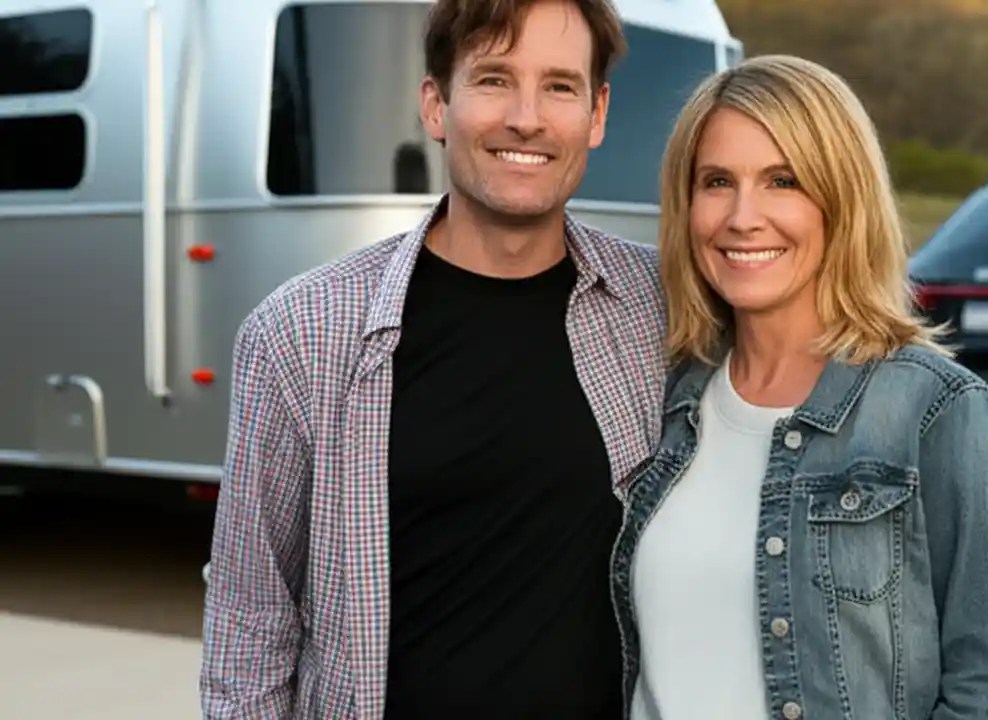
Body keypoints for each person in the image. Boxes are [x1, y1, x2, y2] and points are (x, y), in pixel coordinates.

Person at [199, 0, 668, 717]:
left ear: (597, 113)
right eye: (492, 79)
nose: (527, 117)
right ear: (435, 104)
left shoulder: (658, 311)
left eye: (560, 87)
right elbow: (250, 618)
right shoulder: (301, 333)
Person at [609, 55, 988, 720]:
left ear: (842, 198)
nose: (742, 216)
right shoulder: (665, 401)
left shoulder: (936, 413)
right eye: (717, 181)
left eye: (782, 181)